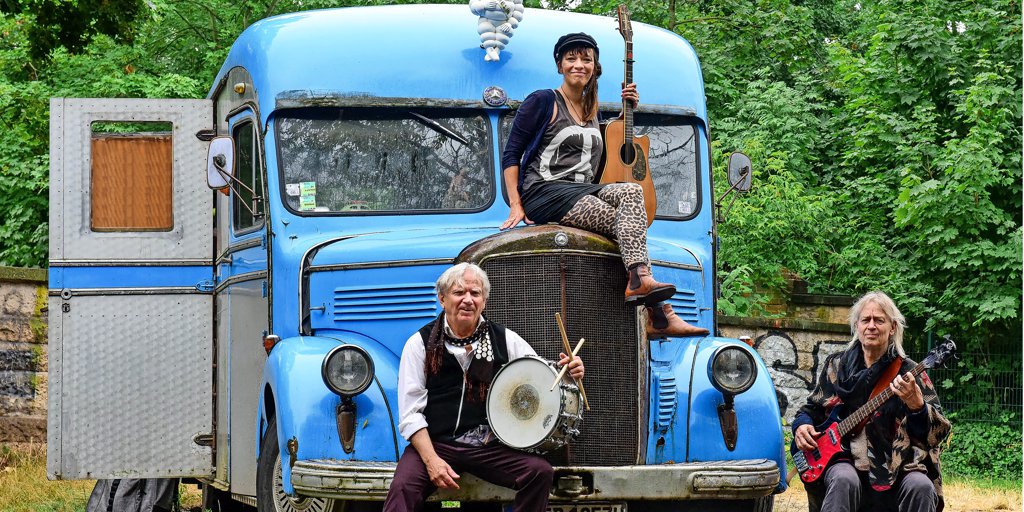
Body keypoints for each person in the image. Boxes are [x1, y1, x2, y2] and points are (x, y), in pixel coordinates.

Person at [499, 32, 706, 339]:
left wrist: (626, 113)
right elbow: (511, 153)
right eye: (571, 58)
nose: (579, 65)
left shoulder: (591, 111)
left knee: (630, 203)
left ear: (595, 67)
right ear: (559, 65)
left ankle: (652, 303)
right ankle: (660, 312)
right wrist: (516, 203)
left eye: (586, 59)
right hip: (544, 192)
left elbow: (606, 147)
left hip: (579, 191)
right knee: (628, 224)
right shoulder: (543, 101)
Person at [383, 263, 585, 512]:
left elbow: (544, 378)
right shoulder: (419, 344)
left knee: (539, 472)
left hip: (487, 446)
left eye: (475, 293)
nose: (467, 300)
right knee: (403, 487)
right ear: (442, 299)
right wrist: (432, 461)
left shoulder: (505, 339)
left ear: (484, 301)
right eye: (459, 293)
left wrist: (570, 372)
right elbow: (410, 414)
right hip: (435, 443)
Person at [792, 291, 951, 512]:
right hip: (846, 460)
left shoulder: (911, 373)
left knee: (920, 486)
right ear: (857, 325)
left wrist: (917, 407)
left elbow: (937, 434)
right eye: (866, 320)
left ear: (893, 327)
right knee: (842, 479)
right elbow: (812, 409)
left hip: (899, 467)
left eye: (880, 320)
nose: (872, 326)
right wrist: (802, 426)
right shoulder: (836, 366)